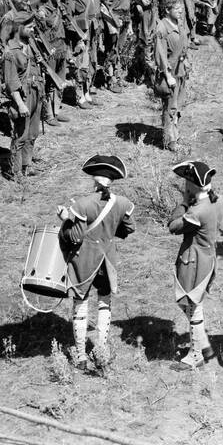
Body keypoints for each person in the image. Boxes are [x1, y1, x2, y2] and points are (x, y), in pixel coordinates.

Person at [57, 154, 136, 370]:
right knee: (105, 303)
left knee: (80, 304)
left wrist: (65, 221)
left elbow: (76, 237)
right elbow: (129, 228)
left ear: (95, 181)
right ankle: (101, 351)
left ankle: (82, 356)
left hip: (85, 261)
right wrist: (109, 231)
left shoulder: (83, 205)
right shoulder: (122, 203)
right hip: (108, 260)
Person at [168, 159, 223, 370]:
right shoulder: (219, 201)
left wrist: (184, 202)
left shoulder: (196, 211)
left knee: (191, 306)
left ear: (192, 185)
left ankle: (195, 354)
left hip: (193, 261)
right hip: (209, 256)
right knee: (192, 304)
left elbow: (172, 226)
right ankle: (204, 346)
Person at [3, 12, 44, 181]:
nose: (33, 29)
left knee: (33, 133)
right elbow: (11, 81)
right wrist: (20, 104)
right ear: (19, 28)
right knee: (20, 134)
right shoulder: (10, 52)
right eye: (29, 27)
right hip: (23, 95)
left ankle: (27, 166)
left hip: (36, 91)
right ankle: (16, 171)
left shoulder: (31, 44)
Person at [153, 0, 190, 152]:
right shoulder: (162, 28)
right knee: (169, 106)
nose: (180, 11)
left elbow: (184, 47)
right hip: (170, 71)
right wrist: (167, 75)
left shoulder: (179, 24)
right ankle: (169, 140)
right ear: (167, 10)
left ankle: (175, 133)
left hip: (180, 70)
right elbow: (160, 54)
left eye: (181, 8)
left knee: (178, 105)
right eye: (176, 8)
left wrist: (186, 61)